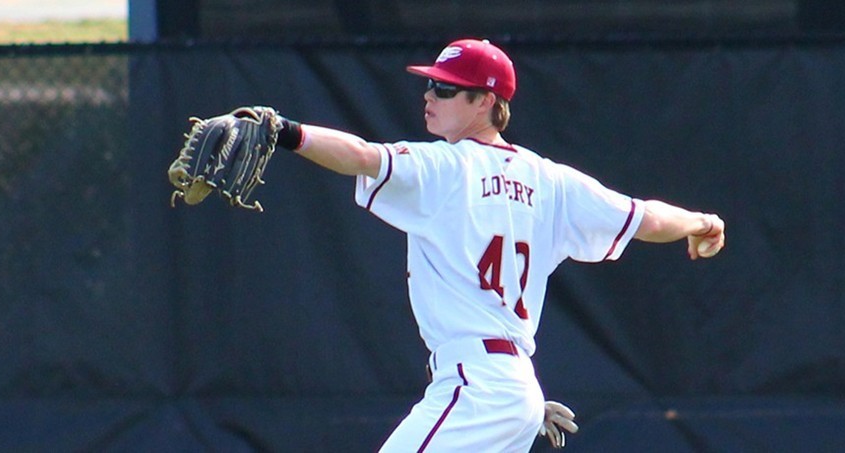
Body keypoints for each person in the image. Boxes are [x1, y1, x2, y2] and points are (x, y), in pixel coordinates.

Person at [271, 38, 725, 452]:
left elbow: (361, 156)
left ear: (486, 101)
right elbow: (645, 217)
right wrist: (700, 222)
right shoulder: (551, 181)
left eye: (445, 89)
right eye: (430, 85)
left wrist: (286, 132)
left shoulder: (446, 166)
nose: (429, 95)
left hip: (479, 386)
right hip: (509, 387)